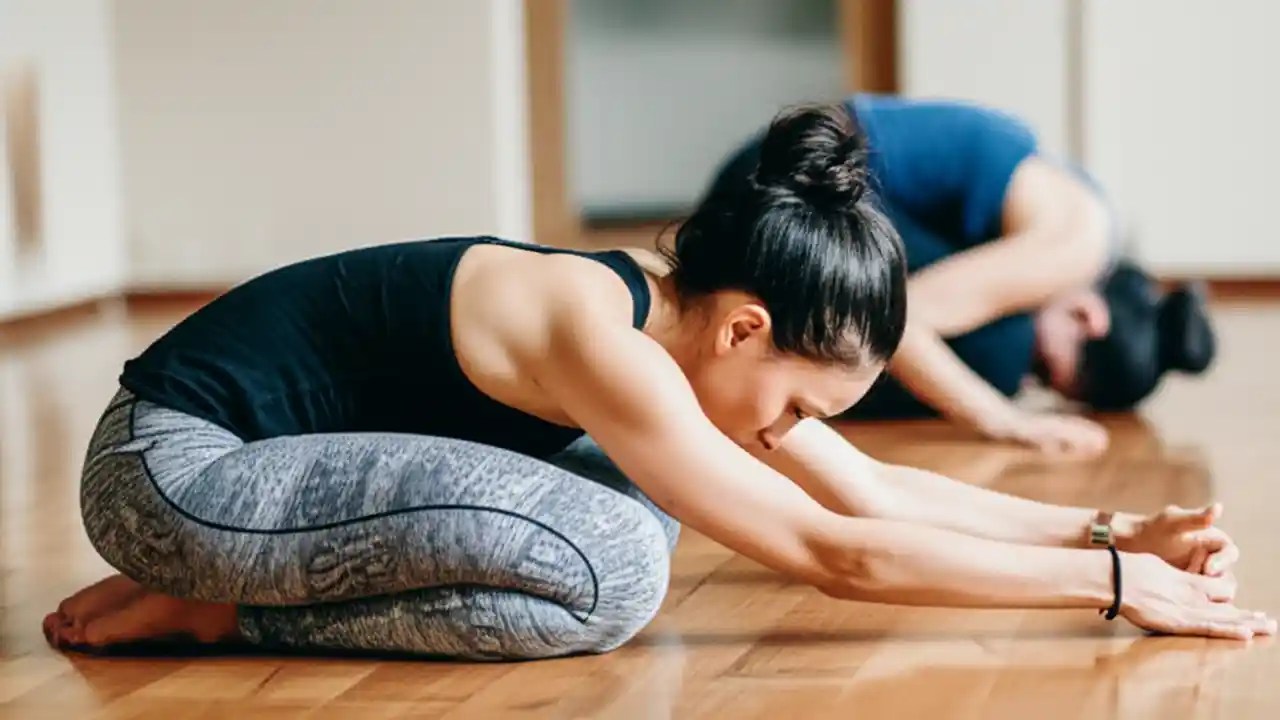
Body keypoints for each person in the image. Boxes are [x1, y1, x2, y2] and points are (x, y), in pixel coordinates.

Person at [46, 105, 1270, 661]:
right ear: (745, 327)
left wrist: (1112, 529)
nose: (789, 433)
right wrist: (1112, 590)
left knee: (627, 531)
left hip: (256, 474)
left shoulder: (679, 322)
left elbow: (872, 495)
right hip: (174, 474)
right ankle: (220, 610)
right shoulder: (603, 338)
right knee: (611, 560)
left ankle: (225, 603)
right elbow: (837, 555)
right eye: (796, 404)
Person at [702, 94, 1217, 457]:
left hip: (794, 202)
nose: (1033, 377)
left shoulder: (1086, 229)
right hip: (778, 190)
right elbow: (904, 323)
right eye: (1046, 367)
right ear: (1088, 315)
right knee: (1003, 353)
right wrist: (1006, 422)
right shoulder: (1072, 246)